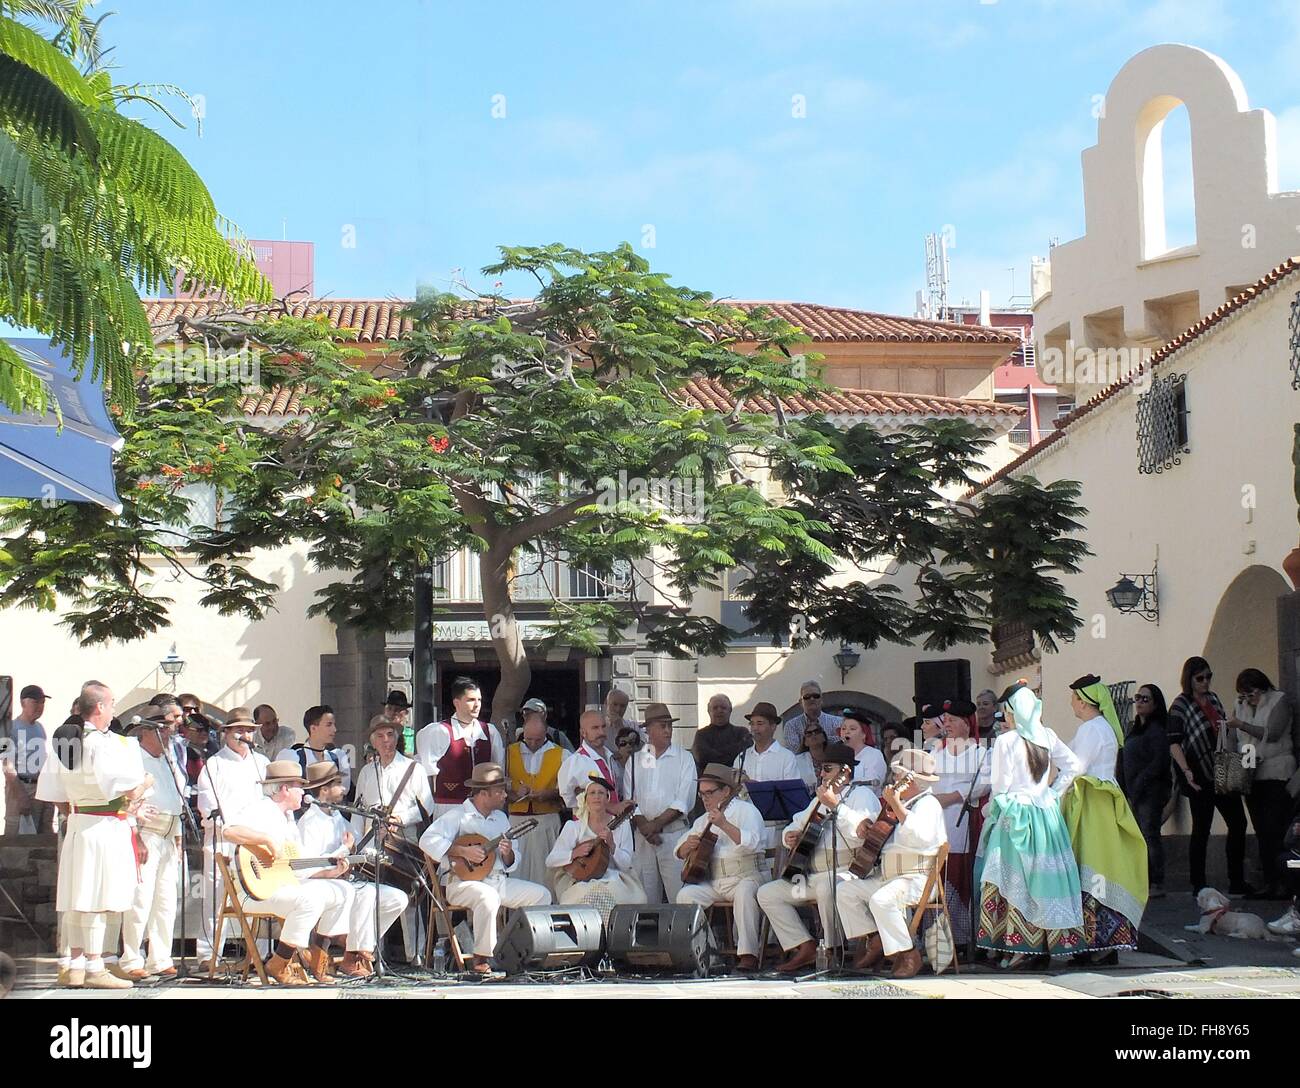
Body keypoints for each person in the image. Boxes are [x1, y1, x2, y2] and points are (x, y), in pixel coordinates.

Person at [34, 681, 149, 989]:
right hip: (104, 825)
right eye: (110, 704)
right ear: (99, 707)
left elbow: (51, 789)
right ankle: (95, 965)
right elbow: (125, 785)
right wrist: (145, 784)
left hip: (78, 822)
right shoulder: (100, 743)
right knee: (98, 897)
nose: (112, 711)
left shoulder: (66, 742)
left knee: (77, 896)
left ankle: (74, 965)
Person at [975, 681, 1085, 969]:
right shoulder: (1047, 735)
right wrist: (1052, 793)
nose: (1006, 717)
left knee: (1015, 879)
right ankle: (1048, 945)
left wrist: (992, 812)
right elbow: (1073, 765)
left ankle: (1022, 947)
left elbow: (1001, 786)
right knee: (1047, 878)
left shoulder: (1006, 741)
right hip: (1045, 815)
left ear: (1012, 712)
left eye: (1007, 711)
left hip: (1015, 815)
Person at [221, 760, 354, 985]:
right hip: (254, 891)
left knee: (343, 890)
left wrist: (330, 873)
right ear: (284, 789)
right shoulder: (261, 808)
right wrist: (265, 839)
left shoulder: (289, 820)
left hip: (282, 884)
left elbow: (298, 868)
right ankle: (279, 962)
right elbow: (229, 831)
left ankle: (319, 958)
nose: (303, 791)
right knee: (308, 900)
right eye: (299, 786)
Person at [756, 741, 880, 973]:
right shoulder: (818, 800)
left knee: (826, 886)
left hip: (849, 873)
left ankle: (832, 949)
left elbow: (863, 837)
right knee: (768, 893)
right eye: (821, 768)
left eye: (828, 768)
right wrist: (788, 836)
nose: (821, 774)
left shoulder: (862, 795)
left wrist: (836, 808)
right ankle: (805, 946)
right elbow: (796, 822)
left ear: (846, 772)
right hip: (812, 877)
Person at [419, 763, 552, 975]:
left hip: (499, 881)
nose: (504, 796)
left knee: (542, 895)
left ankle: (523, 953)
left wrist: (508, 853)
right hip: (463, 883)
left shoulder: (501, 818)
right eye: (499, 791)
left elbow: (512, 859)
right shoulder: (458, 816)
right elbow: (427, 840)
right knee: (488, 897)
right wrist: (462, 851)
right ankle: (482, 958)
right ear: (482, 794)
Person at [1060, 675, 1149, 963]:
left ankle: (1091, 944)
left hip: (1092, 801)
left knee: (1089, 865)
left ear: (1084, 701)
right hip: (1104, 799)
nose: (1071, 702)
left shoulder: (1090, 729)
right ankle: (1107, 944)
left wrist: (1051, 795)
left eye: (1073, 697)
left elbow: (1075, 767)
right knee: (1105, 867)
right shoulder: (1103, 727)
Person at [840, 747, 948, 979]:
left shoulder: (929, 804)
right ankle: (875, 939)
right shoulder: (899, 807)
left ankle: (909, 954)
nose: (895, 780)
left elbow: (919, 838)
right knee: (845, 890)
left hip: (916, 878)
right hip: (887, 877)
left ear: (912, 780)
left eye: (899, 776)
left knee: (882, 900)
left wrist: (897, 806)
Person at [300, 762, 408, 978]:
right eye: (338, 784)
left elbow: (356, 847)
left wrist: (377, 839)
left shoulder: (338, 816)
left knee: (398, 898)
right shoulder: (309, 822)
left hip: (344, 880)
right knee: (366, 893)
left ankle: (355, 950)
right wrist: (344, 852)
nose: (344, 789)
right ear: (324, 790)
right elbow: (308, 864)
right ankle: (354, 956)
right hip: (320, 883)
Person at [351, 713, 435, 960]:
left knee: (409, 893)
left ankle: (415, 955)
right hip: (373, 839)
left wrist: (401, 818)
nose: (386, 740)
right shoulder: (367, 771)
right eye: (380, 736)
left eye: (390, 735)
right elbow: (359, 808)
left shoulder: (414, 768)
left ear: (397, 738)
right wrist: (357, 842)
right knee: (373, 894)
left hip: (404, 837)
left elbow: (426, 806)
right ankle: (373, 954)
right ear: (372, 741)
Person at [1168, 656, 1253, 896]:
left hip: (1223, 768)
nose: (1205, 682)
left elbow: (1223, 730)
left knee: (1238, 822)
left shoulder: (1214, 699)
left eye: (1208, 677)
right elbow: (1174, 743)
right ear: (1190, 679)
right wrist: (1186, 770)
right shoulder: (1180, 705)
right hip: (1198, 772)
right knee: (1201, 828)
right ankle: (1199, 884)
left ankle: (1236, 880)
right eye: (1200, 678)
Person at [674, 763, 766, 970]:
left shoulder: (747, 811)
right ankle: (709, 953)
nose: (705, 798)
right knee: (686, 895)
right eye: (701, 794)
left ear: (725, 791)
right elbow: (678, 851)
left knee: (745, 892)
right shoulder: (702, 820)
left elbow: (754, 844)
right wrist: (686, 848)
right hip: (715, 880)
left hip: (747, 875)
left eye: (709, 793)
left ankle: (748, 954)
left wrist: (724, 824)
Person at [194, 713, 270, 964]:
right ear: (226, 733)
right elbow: (207, 806)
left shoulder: (262, 762)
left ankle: (259, 953)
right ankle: (209, 955)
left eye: (249, 730)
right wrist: (227, 830)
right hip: (224, 839)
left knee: (260, 896)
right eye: (238, 729)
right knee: (216, 899)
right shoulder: (214, 764)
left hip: (256, 841)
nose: (244, 735)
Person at [118, 715, 186, 980]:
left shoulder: (167, 760)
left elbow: (175, 800)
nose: (167, 737)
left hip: (169, 833)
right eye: (162, 732)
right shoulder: (136, 758)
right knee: (141, 899)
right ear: (147, 732)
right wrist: (137, 838)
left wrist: (178, 839)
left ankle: (160, 958)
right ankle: (132, 957)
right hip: (147, 832)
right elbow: (129, 799)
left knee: (166, 901)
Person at [1228, 668, 1298, 899]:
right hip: (1250, 773)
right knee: (1261, 831)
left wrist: (1241, 725)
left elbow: (1274, 733)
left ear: (1263, 687)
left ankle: (1285, 883)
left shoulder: (1279, 701)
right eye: (1245, 695)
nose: (1249, 699)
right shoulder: (1240, 704)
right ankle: (1269, 882)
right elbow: (1234, 737)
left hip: (1276, 773)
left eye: (1252, 694)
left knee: (1275, 829)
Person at [929, 699, 991, 947]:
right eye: (946, 721)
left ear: (967, 725)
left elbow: (984, 783)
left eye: (953, 720)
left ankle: (964, 938)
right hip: (936, 820)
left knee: (959, 875)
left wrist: (954, 796)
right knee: (939, 879)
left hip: (962, 820)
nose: (948, 725)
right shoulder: (937, 752)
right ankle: (939, 939)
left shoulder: (980, 753)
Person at [623, 703, 697, 903]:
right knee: (645, 899)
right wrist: (646, 829)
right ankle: (648, 934)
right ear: (648, 730)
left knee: (679, 897)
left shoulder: (684, 758)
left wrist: (654, 826)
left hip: (674, 836)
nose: (667, 730)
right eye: (662, 726)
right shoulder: (635, 760)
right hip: (643, 839)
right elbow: (630, 801)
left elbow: (684, 801)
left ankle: (683, 935)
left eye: (669, 726)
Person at [547, 774, 646, 920]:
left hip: (615, 877)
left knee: (612, 892)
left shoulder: (621, 826)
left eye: (601, 793)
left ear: (607, 799)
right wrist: (574, 853)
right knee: (586, 894)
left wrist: (612, 846)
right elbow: (550, 860)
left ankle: (610, 934)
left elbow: (626, 865)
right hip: (580, 880)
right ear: (586, 799)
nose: (596, 797)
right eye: (592, 793)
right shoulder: (574, 827)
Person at [416, 677, 505, 818]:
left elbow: (498, 771)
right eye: (471, 700)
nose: (477, 705)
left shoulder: (490, 732)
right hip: (449, 808)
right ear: (456, 703)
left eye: (479, 700)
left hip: (483, 810)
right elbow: (426, 775)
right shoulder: (439, 731)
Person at [505, 703, 565, 892]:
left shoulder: (561, 753)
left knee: (545, 873)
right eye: (528, 739)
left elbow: (569, 789)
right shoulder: (509, 752)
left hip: (546, 820)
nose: (532, 743)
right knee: (517, 873)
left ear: (546, 733)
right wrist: (513, 794)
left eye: (537, 740)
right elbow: (497, 786)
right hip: (516, 820)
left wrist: (548, 794)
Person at [1122, 684, 1172, 899]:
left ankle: (1156, 881)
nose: (1140, 702)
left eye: (1145, 698)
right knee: (1141, 835)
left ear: (1155, 703)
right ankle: (1143, 879)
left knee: (1150, 835)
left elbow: (1159, 762)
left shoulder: (1157, 730)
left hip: (1150, 790)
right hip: (1134, 789)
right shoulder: (1136, 729)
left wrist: (1141, 782)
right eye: (1138, 697)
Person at [3, 683, 54, 835]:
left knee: (41, 835)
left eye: (42, 702)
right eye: (35, 702)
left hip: (40, 788)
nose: (40, 706)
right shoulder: (10, 728)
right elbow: (7, 766)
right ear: (23, 703)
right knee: (18, 837)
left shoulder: (39, 728)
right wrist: (20, 795)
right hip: (20, 787)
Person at [558, 709, 624, 811]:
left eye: (603, 726)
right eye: (595, 728)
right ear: (583, 732)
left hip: (614, 823)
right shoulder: (575, 762)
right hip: (588, 825)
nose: (601, 732)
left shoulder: (611, 758)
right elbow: (569, 799)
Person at [279, 704, 351, 797]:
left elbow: (343, 790)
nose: (334, 729)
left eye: (334, 724)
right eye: (329, 725)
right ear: (313, 728)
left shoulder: (336, 757)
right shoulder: (294, 757)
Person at [691, 694, 752, 777]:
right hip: (710, 784)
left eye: (723, 708)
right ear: (709, 711)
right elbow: (703, 759)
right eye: (715, 708)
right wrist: (734, 751)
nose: (719, 711)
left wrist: (715, 754)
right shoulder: (701, 734)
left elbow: (747, 756)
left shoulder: (741, 732)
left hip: (735, 784)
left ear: (730, 710)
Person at [782, 680, 844, 754]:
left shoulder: (838, 722)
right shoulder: (791, 726)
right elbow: (794, 752)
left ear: (821, 699)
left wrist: (809, 742)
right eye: (807, 697)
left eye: (816, 696)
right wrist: (826, 740)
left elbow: (843, 746)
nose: (812, 699)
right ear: (801, 702)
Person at [840, 708, 887, 798]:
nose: (847, 732)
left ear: (864, 734)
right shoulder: (838, 755)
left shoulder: (874, 755)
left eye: (852, 729)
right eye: (843, 728)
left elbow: (873, 785)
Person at [793, 721, 830, 790]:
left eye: (817, 731)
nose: (813, 734)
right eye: (809, 734)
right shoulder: (796, 761)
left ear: (824, 737)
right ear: (805, 742)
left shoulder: (835, 757)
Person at [382, 690, 416, 757]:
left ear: (406, 712)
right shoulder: (378, 734)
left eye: (398, 709)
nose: (393, 713)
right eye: (389, 708)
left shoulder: (413, 736)